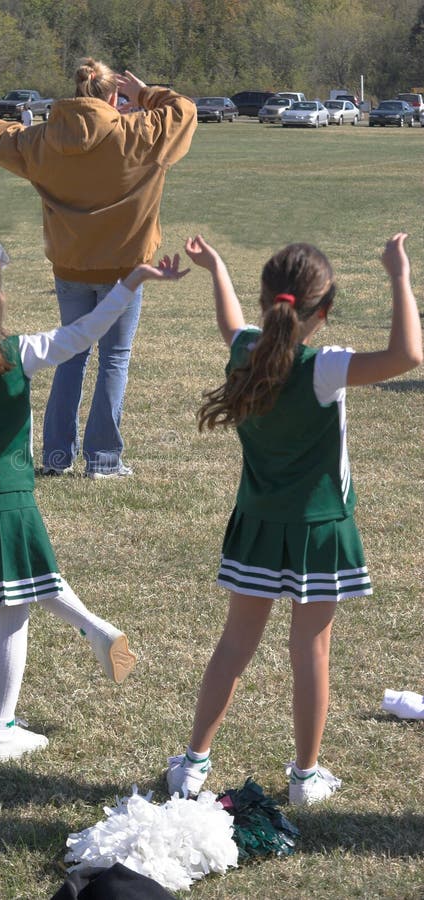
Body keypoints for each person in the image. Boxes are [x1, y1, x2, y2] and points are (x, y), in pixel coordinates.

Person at [0, 216, 188, 761]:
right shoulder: (16, 350)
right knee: (15, 610)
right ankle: (1, 728)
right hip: (6, 497)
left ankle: (98, 634)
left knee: (26, 587)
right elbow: (86, 333)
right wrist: (131, 283)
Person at [166, 233, 422, 805]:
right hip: (320, 529)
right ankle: (305, 779)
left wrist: (217, 271)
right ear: (323, 313)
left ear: (267, 301)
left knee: (234, 646)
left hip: (257, 525)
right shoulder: (324, 368)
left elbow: (232, 326)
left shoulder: (246, 352)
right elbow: (408, 356)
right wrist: (399, 276)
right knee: (311, 650)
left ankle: (191, 767)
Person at [0, 59, 197, 478]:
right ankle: (104, 461)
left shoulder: (44, 140)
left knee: (71, 355)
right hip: (124, 271)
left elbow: (2, 136)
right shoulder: (138, 134)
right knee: (114, 359)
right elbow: (183, 110)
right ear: (113, 96)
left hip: (70, 266)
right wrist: (144, 93)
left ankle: (57, 456)